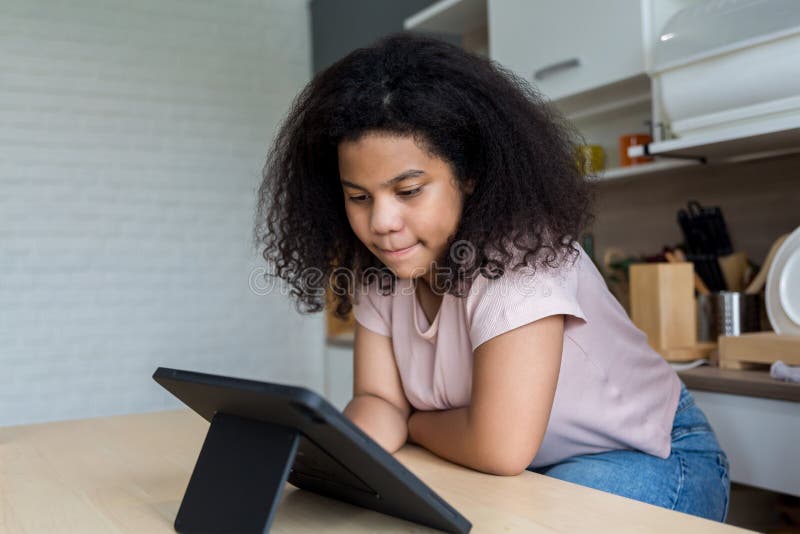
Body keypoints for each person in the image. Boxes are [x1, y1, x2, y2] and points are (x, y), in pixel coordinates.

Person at [255, 32, 730, 522]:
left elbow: (499, 447)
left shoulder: (522, 259)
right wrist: (335, 460)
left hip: (651, 454)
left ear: (469, 175)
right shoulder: (383, 270)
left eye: (409, 191)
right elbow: (378, 399)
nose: (381, 222)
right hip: (526, 468)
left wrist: (413, 423)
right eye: (359, 197)